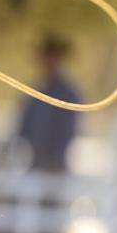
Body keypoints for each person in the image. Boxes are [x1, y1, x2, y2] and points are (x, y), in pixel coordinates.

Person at [17, 34, 82, 172]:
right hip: (33, 164)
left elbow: (67, 132)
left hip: (55, 166)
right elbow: (23, 129)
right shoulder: (34, 91)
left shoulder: (68, 94)